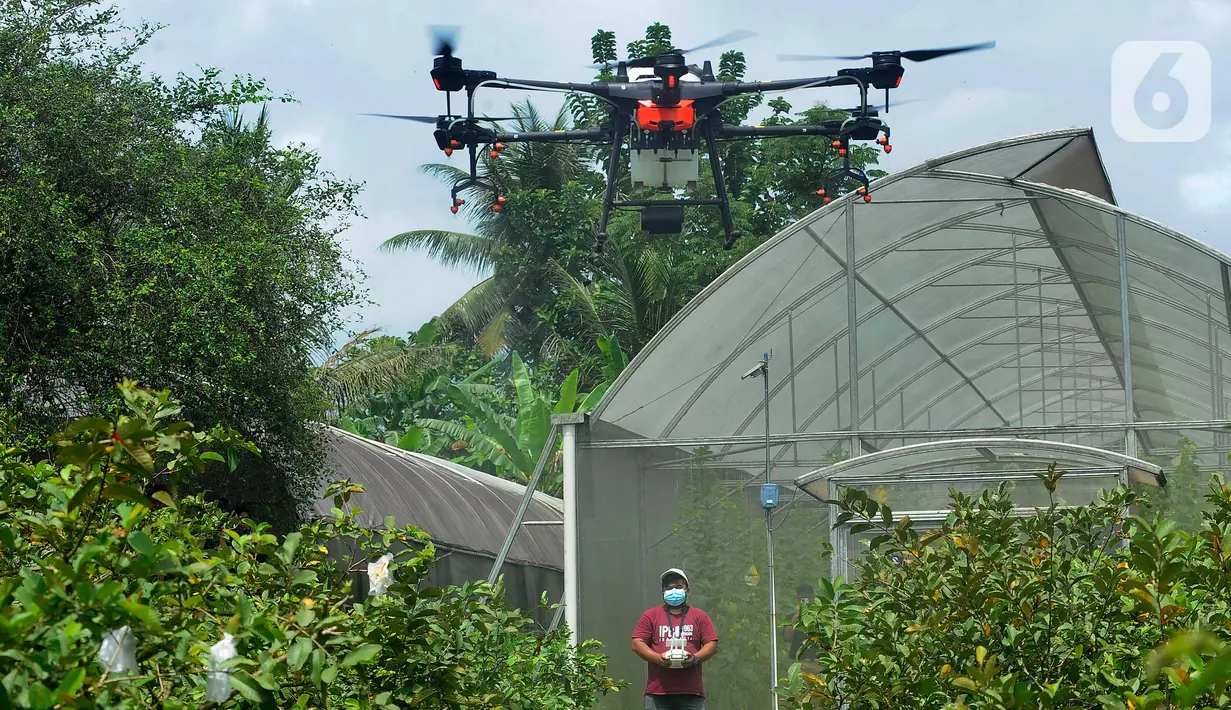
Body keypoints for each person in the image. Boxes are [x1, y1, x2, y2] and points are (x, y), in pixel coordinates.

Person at [632, 568, 719, 710]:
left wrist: (695, 659)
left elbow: (712, 644)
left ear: (687, 590)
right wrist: (658, 659)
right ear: (663, 592)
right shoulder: (650, 615)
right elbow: (637, 643)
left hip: (691, 692)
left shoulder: (699, 616)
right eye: (669, 588)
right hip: (658, 693)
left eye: (679, 587)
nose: (674, 591)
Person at [784, 584, 819, 669]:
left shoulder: (820, 617)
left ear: (813, 599)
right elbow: (787, 637)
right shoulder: (791, 618)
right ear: (797, 599)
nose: (805, 601)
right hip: (798, 662)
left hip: (817, 662)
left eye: (808, 598)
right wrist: (797, 616)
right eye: (802, 599)